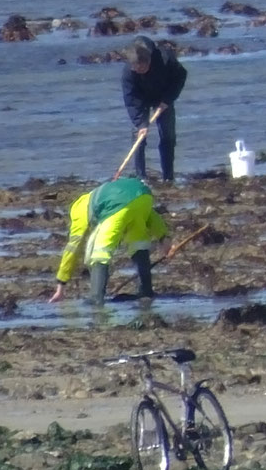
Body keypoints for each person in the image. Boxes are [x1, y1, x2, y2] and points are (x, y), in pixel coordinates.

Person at [49, 174, 169, 304]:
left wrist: (61, 285)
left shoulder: (79, 212)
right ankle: (146, 291)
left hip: (118, 205)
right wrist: (164, 237)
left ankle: (96, 298)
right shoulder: (99, 197)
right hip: (144, 196)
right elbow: (151, 215)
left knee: (100, 253)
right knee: (138, 243)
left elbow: (73, 249)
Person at [120, 37, 186, 183]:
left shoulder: (165, 59)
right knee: (139, 136)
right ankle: (141, 177)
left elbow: (180, 76)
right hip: (141, 99)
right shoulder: (128, 72)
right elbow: (130, 99)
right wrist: (140, 123)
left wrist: (168, 99)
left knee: (168, 136)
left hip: (163, 97)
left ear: (148, 60)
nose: (140, 72)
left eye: (142, 69)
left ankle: (168, 177)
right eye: (137, 70)